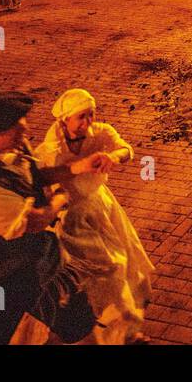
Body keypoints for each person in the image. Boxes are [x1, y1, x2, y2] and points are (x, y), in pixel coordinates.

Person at [0, 91, 101, 345]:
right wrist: (60, 198)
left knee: (77, 325)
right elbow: (36, 220)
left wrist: (76, 168)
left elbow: (34, 175)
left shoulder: (10, 149)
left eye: (21, 127)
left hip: (35, 266)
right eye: (14, 131)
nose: (23, 134)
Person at [35, 89, 154, 344]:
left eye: (91, 114)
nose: (87, 122)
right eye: (81, 116)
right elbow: (41, 181)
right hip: (74, 218)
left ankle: (121, 326)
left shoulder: (100, 133)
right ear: (64, 119)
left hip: (102, 205)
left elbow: (126, 149)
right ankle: (114, 329)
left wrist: (113, 157)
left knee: (127, 257)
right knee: (107, 269)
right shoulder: (47, 151)